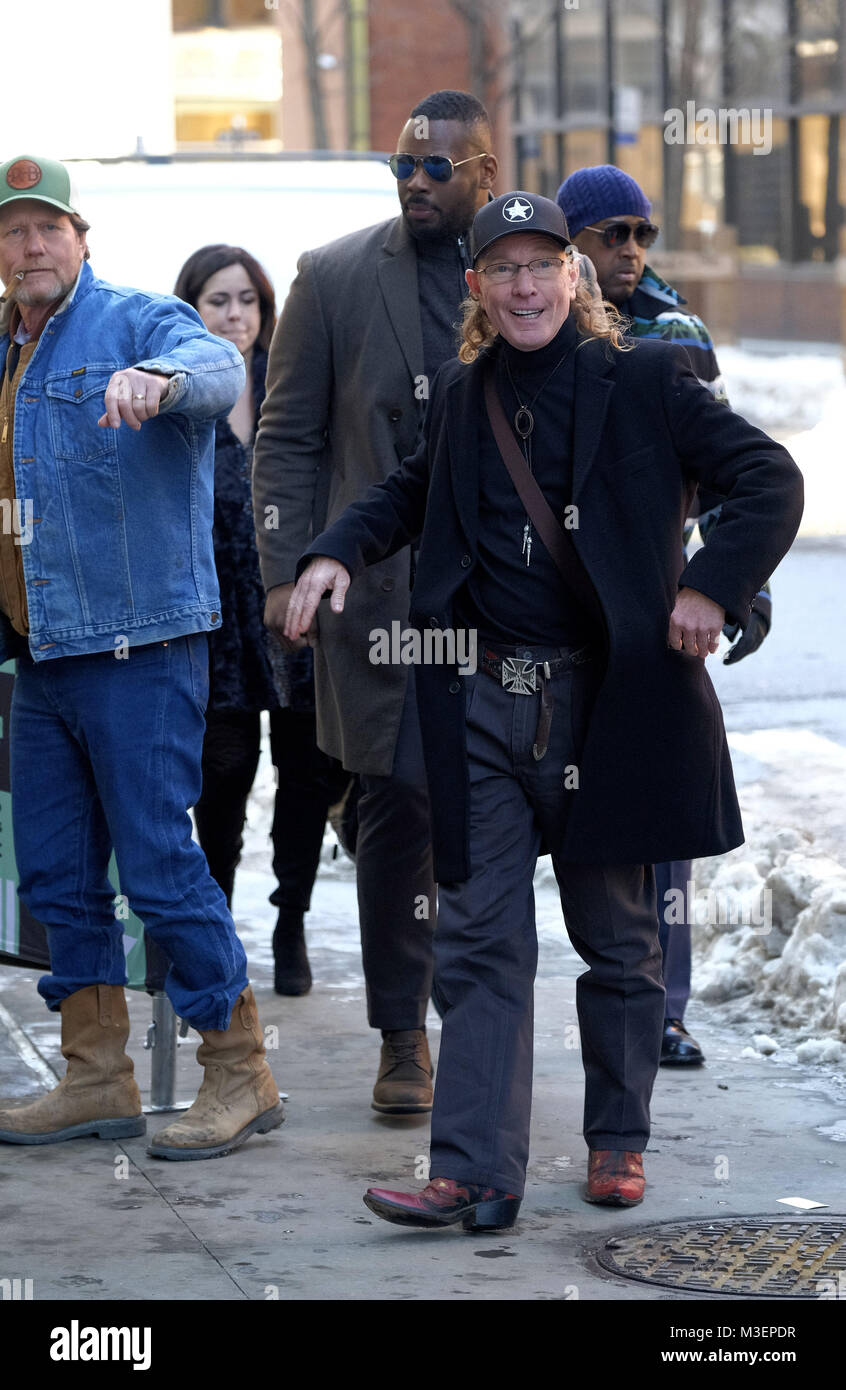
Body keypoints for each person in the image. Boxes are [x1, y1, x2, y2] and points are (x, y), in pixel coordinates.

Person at [284, 191, 803, 1230]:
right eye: (503, 269)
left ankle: (617, 1142)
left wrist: (712, 585)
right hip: (482, 700)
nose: (524, 285)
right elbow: (408, 492)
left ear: (572, 277)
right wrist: (334, 549)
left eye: (542, 265)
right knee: (478, 940)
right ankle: (474, 1171)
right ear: (477, 289)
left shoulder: (650, 380)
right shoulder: (465, 395)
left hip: (608, 706)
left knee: (616, 938)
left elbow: (769, 478)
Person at [0, 156, 284, 1161]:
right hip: (38, 657)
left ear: (81, 235)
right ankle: (95, 1076)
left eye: (46, 229)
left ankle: (240, 1067)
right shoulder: (5, 351)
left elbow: (220, 368)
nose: (30, 249)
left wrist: (159, 382)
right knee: (56, 875)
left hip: (140, 646)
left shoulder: (136, 320)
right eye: (12, 232)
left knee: (162, 865)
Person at [253, 90, 498, 1113]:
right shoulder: (337, 275)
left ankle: (482, 1016)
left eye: (437, 167)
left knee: (484, 819)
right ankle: (403, 1036)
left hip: (506, 607)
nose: (414, 181)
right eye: (403, 164)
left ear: (485, 169)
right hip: (384, 606)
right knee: (399, 812)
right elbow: (288, 437)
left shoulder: (527, 274)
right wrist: (282, 572)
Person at [558, 164, 772, 1068]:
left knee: (664, 809)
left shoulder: (675, 329)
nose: (631, 251)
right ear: (571, 246)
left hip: (652, 592)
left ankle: (664, 1011)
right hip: (553, 612)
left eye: (641, 234)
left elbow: (724, 466)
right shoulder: (532, 328)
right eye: (613, 235)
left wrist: (730, 584)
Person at [174, 245, 348, 996]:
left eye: (247, 300)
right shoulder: (179, 396)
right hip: (216, 633)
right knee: (221, 782)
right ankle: (219, 933)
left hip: (297, 623)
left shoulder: (294, 383)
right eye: (218, 300)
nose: (235, 314)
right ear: (192, 308)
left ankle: (292, 918)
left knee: (307, 779)